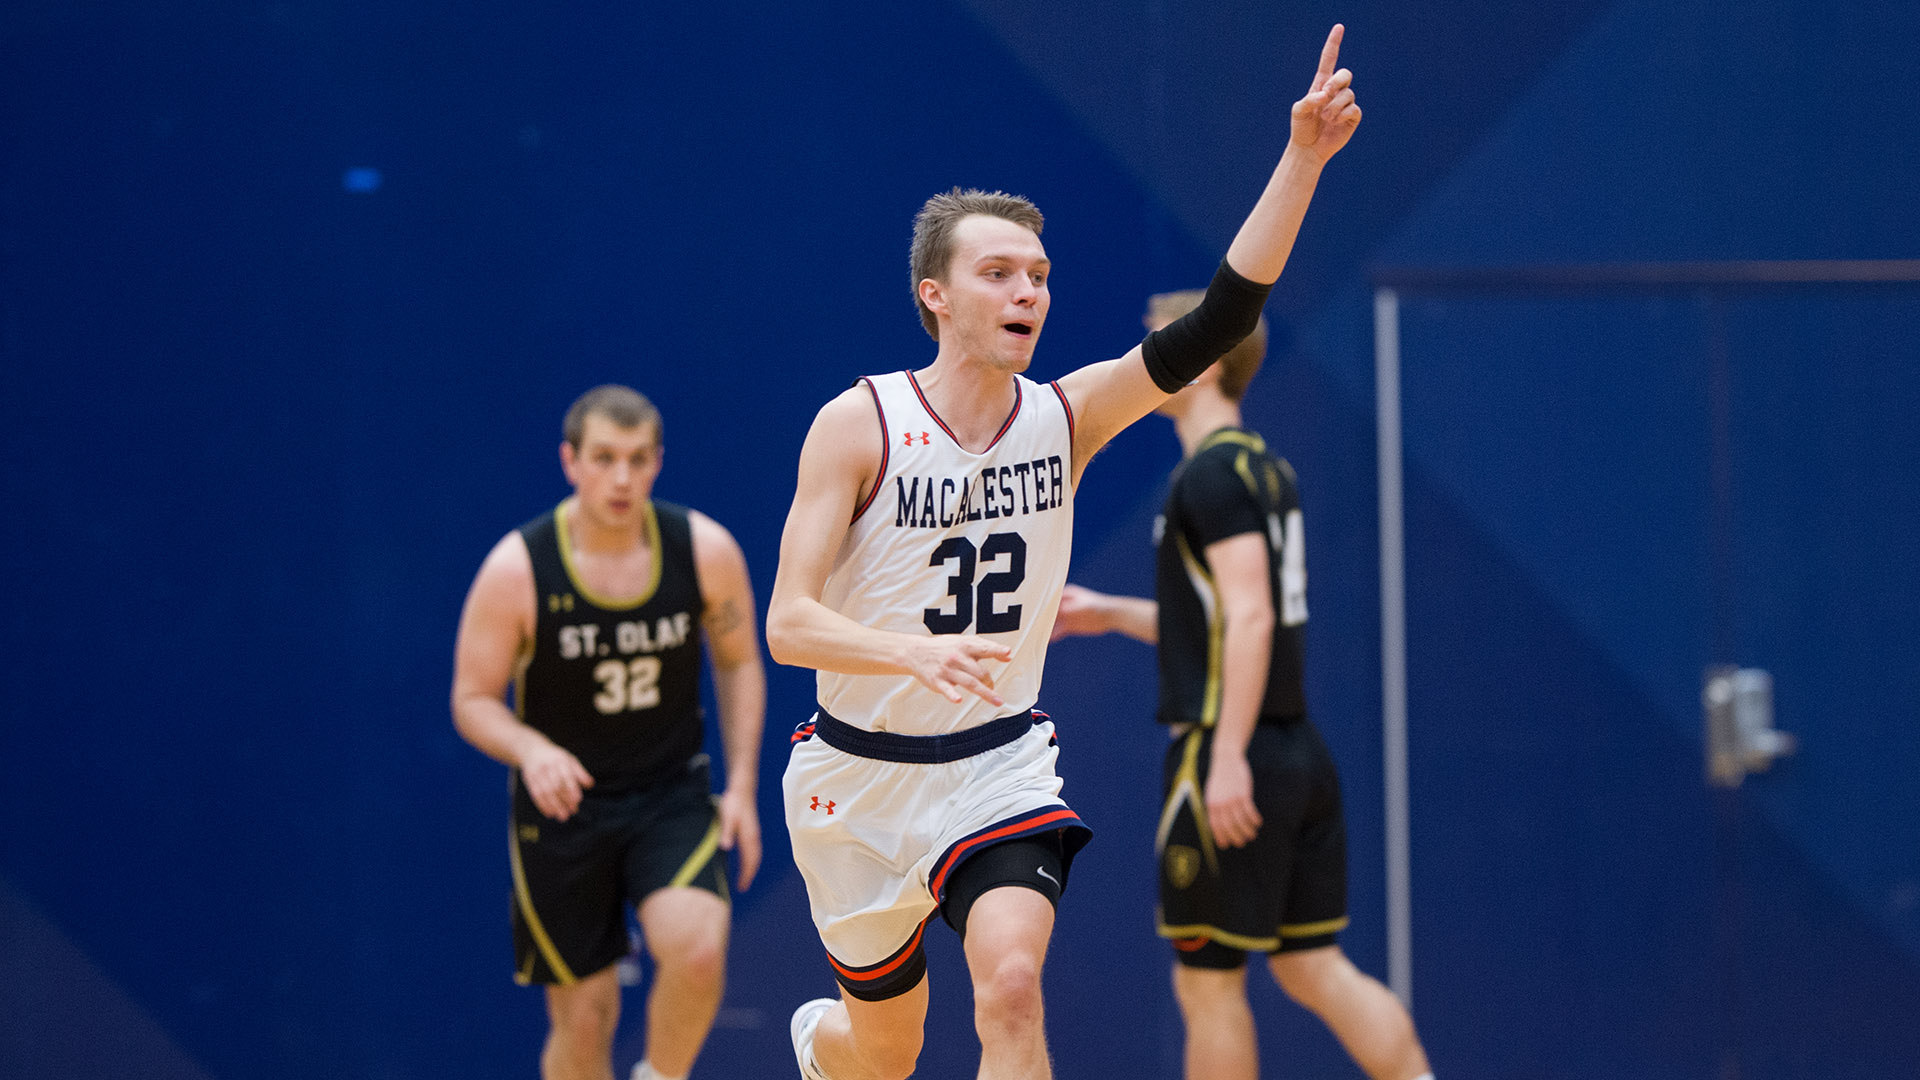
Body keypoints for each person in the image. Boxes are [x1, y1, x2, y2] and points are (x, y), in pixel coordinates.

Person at [764, 26, 1362, 1080]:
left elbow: (1222, 316)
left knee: (1010, 987)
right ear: (935, 295)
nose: (1027, 292)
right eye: (997, 273)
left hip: (996, 765)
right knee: (885, 1053)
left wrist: (1302, 159)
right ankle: (825, 1046)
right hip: (855, 780)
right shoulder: (859, 425)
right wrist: (909, 652)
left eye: (1038, 275)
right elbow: (787, 625)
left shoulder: (1067, 416)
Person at [1048, 288, 1434, 1080]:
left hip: (1233, 753)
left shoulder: (1210, 478)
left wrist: (1224, 757)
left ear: (1202, 362)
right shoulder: (1263, 466)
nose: (1147, 360)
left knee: (1208, 986)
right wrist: (1110, 614)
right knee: (1311, 966)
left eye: (1164, 343)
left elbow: (1251, 617)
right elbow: (1227, 618)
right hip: (1295, 749)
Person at [451, 384, 766, 1080]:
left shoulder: (704, 549)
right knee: (585, 1019)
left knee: (698, 951)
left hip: (669, 792)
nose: (621, 478)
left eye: (637, 459)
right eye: (604, 459)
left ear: (658, 462)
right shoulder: (518, 568)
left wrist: (742, 785)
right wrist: (531, 749)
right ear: (570, 462)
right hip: (566, 808)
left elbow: (739, 660)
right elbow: (472, 699)